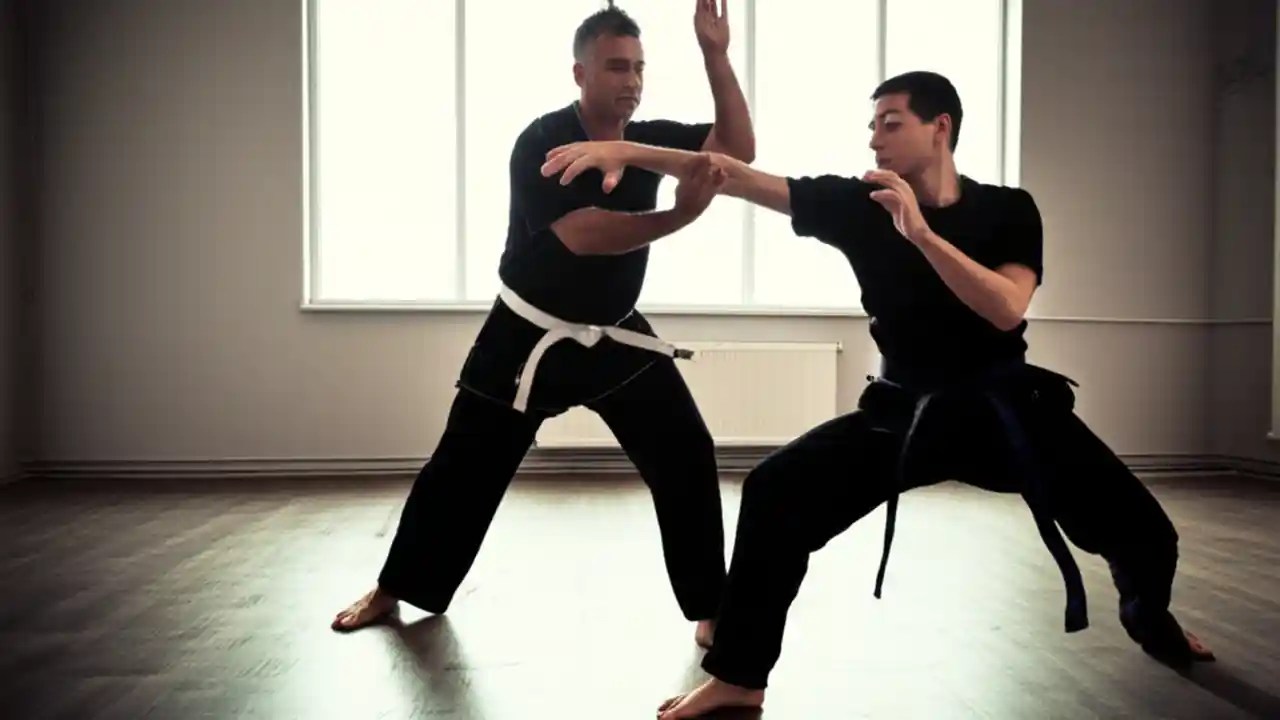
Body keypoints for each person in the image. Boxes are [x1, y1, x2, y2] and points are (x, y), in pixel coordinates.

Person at [540, 70, 1216, 718]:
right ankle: (739, 678)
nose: (874, 138)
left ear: (940, 127)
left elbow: (1006, 308)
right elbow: (733, 174)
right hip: (902, 414)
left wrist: (919, 234)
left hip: (1007, 410)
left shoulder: (1009, 209)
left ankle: (1150, 620)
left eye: (890, 123)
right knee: (775, 491)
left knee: (1147, 533)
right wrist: (625, 150)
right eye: (872, 125)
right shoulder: (858, 206)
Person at [331, 0, 755, 651]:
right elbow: (583, 234)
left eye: (639, 67)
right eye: (617, 66)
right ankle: (394, 589)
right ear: (580, 72)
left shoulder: (645, 143)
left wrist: (715, 54)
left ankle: (710, 608)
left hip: (613, 335)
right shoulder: (544, 141)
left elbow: (737, 151)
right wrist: (678, 217)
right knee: (461, 468)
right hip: (527, 335)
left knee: (687, 455)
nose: (632, 81)